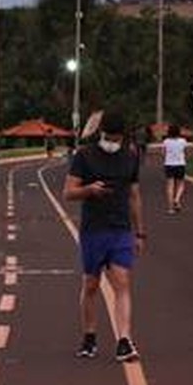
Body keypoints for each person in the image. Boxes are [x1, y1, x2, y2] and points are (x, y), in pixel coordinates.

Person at [63, 110, 145, 362]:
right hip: (93, 229)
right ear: (101, 133)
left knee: (122, 282)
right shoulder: (84, 156)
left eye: (116, 138)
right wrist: (88, 189)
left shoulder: (130, 156)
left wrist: (140, 232)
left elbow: (134, 195)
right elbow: (68, 192)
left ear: (123, 137)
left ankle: (123, 340)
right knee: (91, 284)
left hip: (120, 229)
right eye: (108, 137)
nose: (112, 142)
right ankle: (89, 338)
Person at [161, 123, 190, 213]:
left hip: (169, 164)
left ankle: (170, 209)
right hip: (180, 164)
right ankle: (177, 199)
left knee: (170, 186)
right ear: (179, 132)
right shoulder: (183, 141)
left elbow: (163, 153)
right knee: (181, 184)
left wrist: (166, 158)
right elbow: (186, 152)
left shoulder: (166, 141)